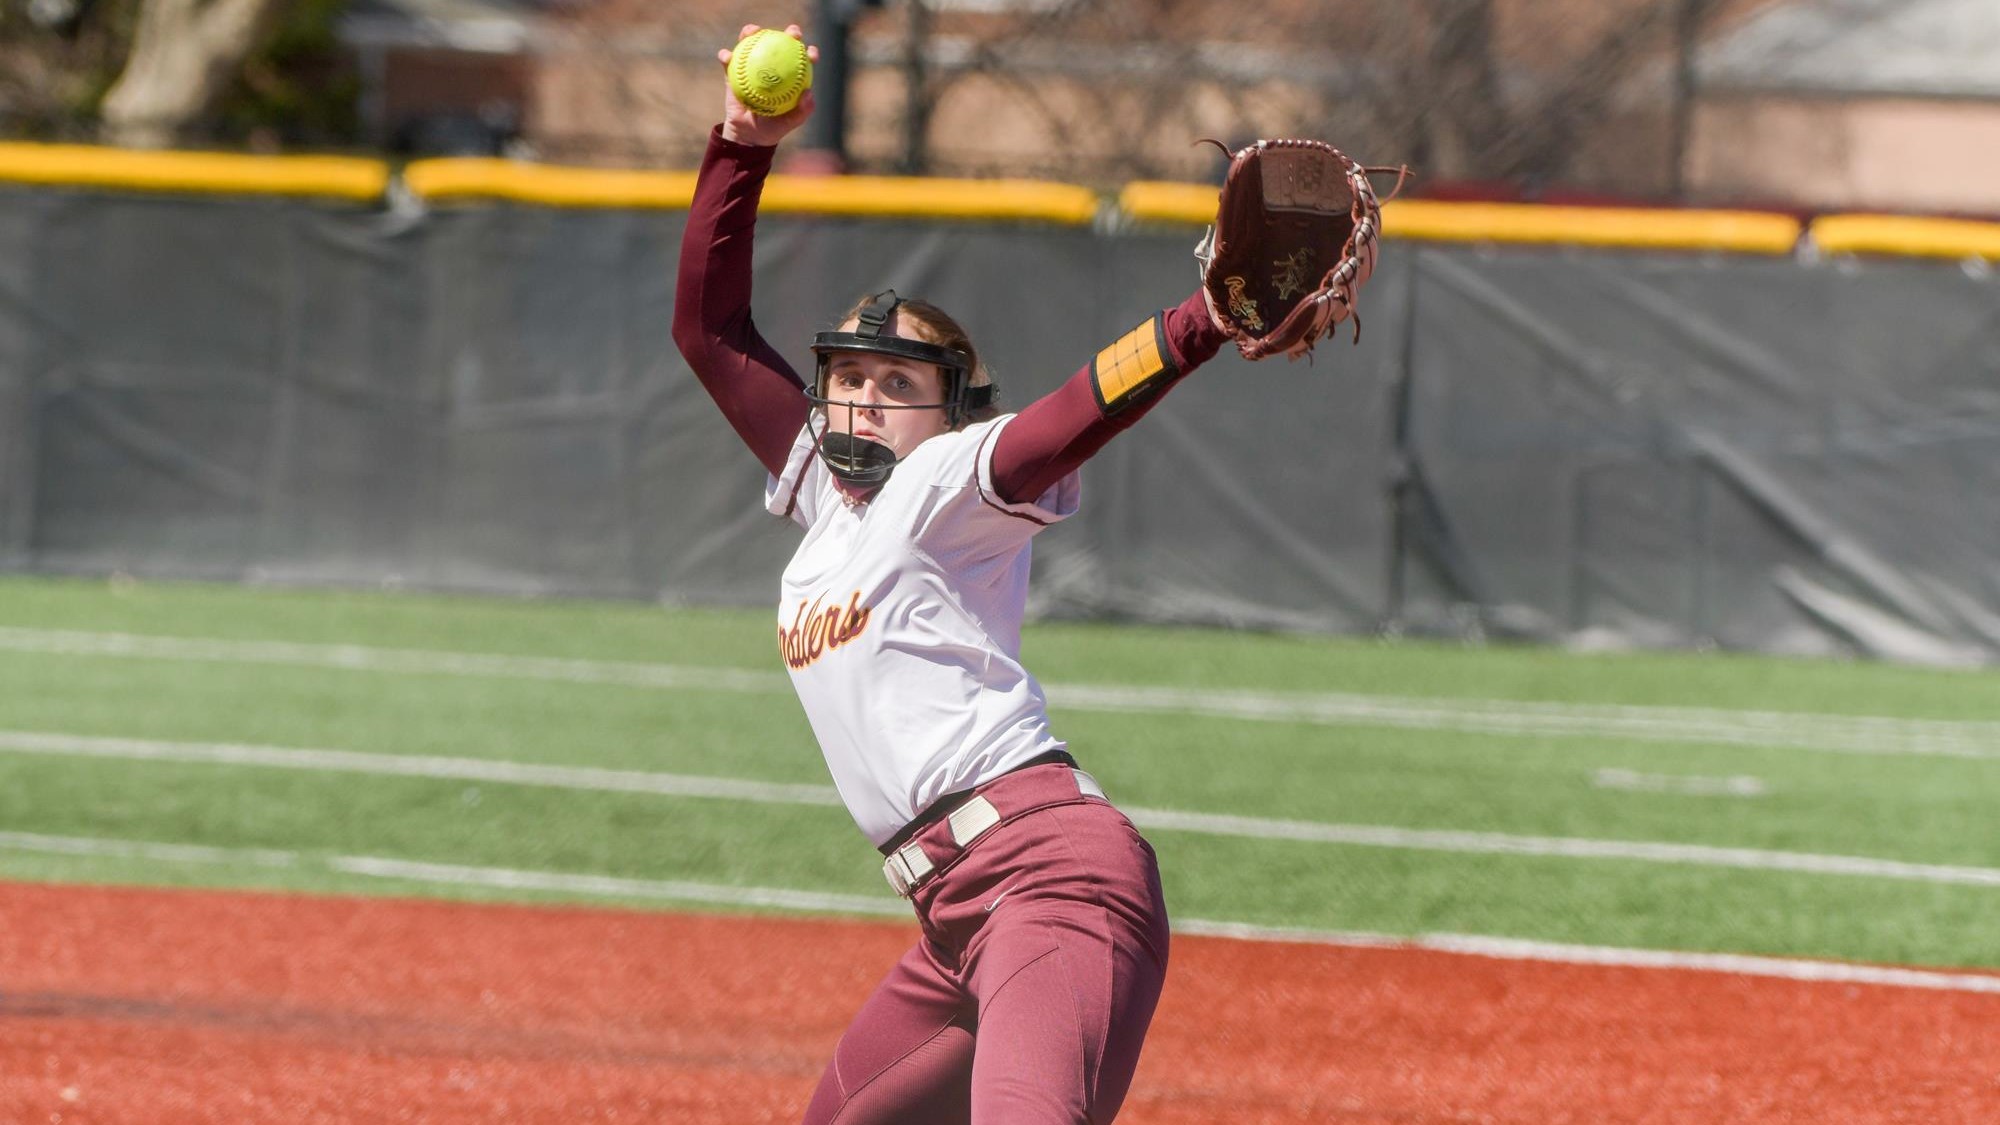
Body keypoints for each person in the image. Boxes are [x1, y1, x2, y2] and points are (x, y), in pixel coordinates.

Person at [672, 23, 1232, 1125]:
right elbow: (709, 329)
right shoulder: (828, 500)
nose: (864, 399)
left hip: (1049, 881)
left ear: (951, 408)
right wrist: (741, 146)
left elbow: (1070, 414)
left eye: (897, 381)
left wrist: (1198, 322)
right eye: (848, 377)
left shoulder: (944, 479)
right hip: (950, 914)